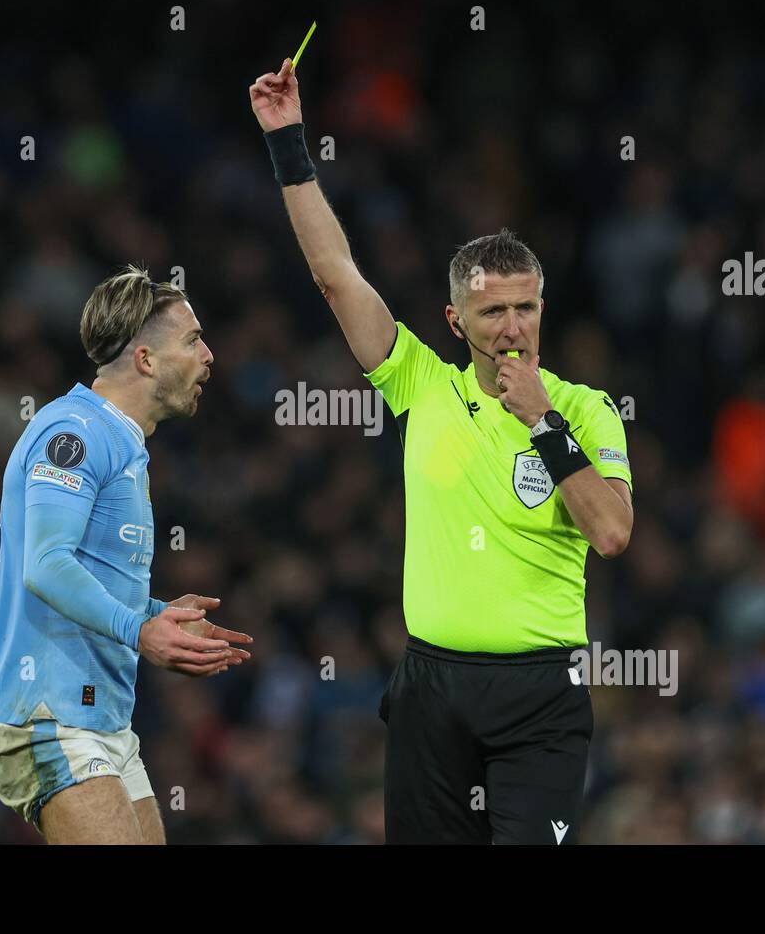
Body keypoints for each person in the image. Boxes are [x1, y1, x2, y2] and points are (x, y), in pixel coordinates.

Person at [250, 58, 634, 843]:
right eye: (492, 312)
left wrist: (543, 424)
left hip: (541, 696)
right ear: (455, 322)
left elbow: (613, 532)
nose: (513, 327)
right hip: (432, 687)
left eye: (526, 308)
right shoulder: (418, 382)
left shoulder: (586, 412)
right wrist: (289, 140)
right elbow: (335, 275)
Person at [0, 266, 252, 844]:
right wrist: (138, 628)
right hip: (46, 717)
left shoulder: (122, 444)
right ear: (147, 360)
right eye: (193, 340)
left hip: (103, 724)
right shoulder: (72, 433)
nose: (209, 355)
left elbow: (82, 576)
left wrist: (155, 613)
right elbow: (46, 564)